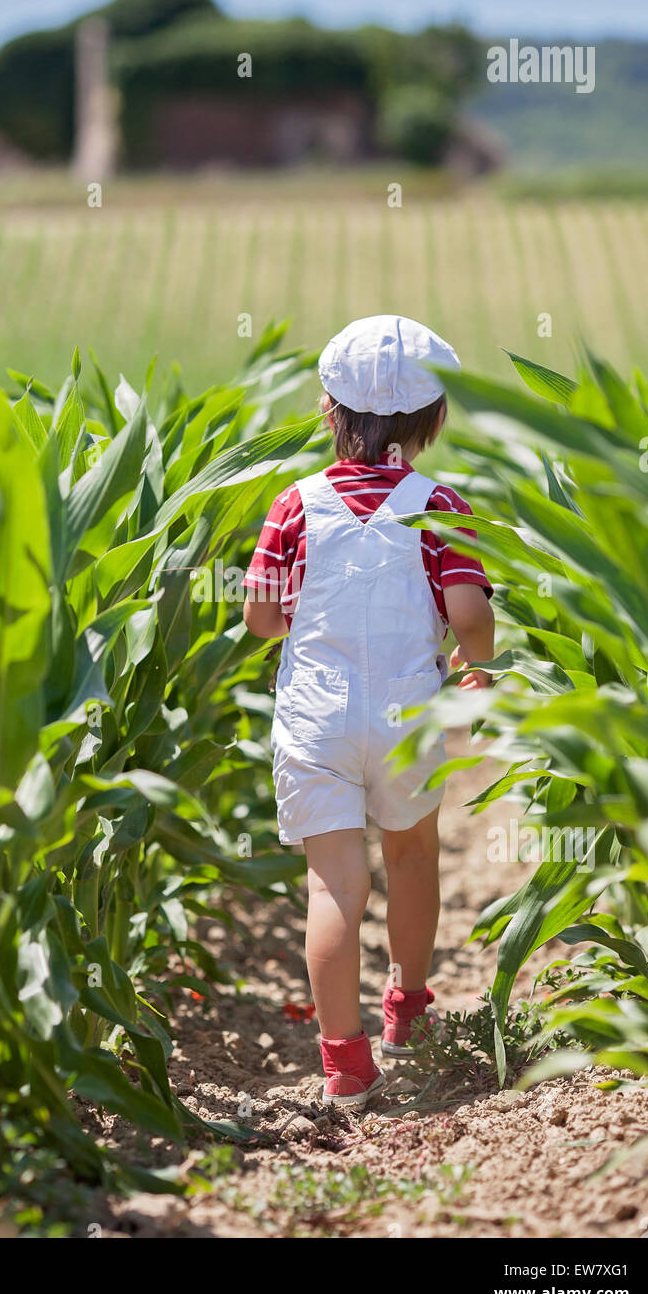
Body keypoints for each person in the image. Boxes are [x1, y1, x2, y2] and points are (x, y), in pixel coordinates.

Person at [243, 315, 495, 1107]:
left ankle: (345, 1062)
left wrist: (300, 624)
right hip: (405, 718)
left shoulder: (295, 503)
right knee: (414, 855)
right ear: (434, 419)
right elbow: (467, 611)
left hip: (316, 719)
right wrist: (474, 661)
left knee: (332, 891)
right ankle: (408, 1011)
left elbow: (258, 613)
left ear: (330, 410)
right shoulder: (438, 504)